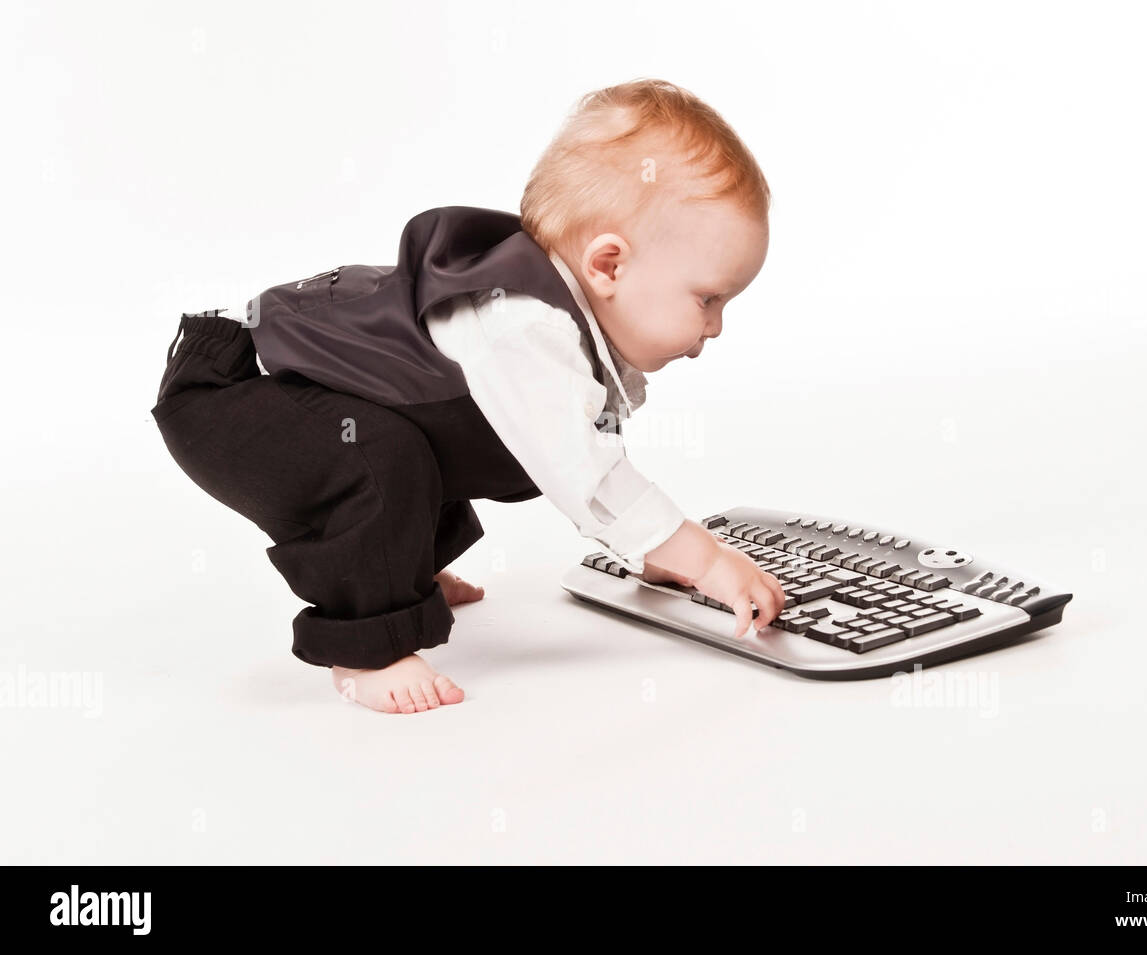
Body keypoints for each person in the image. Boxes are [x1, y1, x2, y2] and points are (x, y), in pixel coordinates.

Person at [151, 78, 784, 714]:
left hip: (302, 392)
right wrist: (702, 559)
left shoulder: (562, 330)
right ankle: (366, 648)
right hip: (234, 390)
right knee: (377, 456)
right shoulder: (525, 326)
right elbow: (583, 474)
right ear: (609, 266)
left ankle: (402, 580)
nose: (717, 327)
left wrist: (650, 551)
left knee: (422, 433)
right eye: (708, 298)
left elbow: (588, 446)